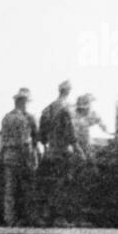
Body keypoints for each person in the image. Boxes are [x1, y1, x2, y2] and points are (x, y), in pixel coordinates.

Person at [38, 84, 79, 225]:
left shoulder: (47, 109)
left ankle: (48, 215)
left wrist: (47, 143)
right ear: (68, 91)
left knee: (51, 184)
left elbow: (41, 136)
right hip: (63, 152)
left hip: (51, 151)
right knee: (64, 184)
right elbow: (71, 132)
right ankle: (60, 218)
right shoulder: (67, 108)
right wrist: (78, 149)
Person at [0, 88, 39, 226]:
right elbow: (30, 140)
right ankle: (27, 219)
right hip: (22, 156)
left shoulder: (6, 117)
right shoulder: (27, 118)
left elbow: (2, 139)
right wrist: (31, 159)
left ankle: (9, 219)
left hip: (8, 156)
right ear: (24, 102)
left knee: (10, 191)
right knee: (26, 190)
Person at [73, 94, 107, 159]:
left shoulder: (91, 113)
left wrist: (105, 129)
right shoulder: (75, 116)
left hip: (84, 143)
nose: (91, 106)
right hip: (78, 144)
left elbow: (99, 121)